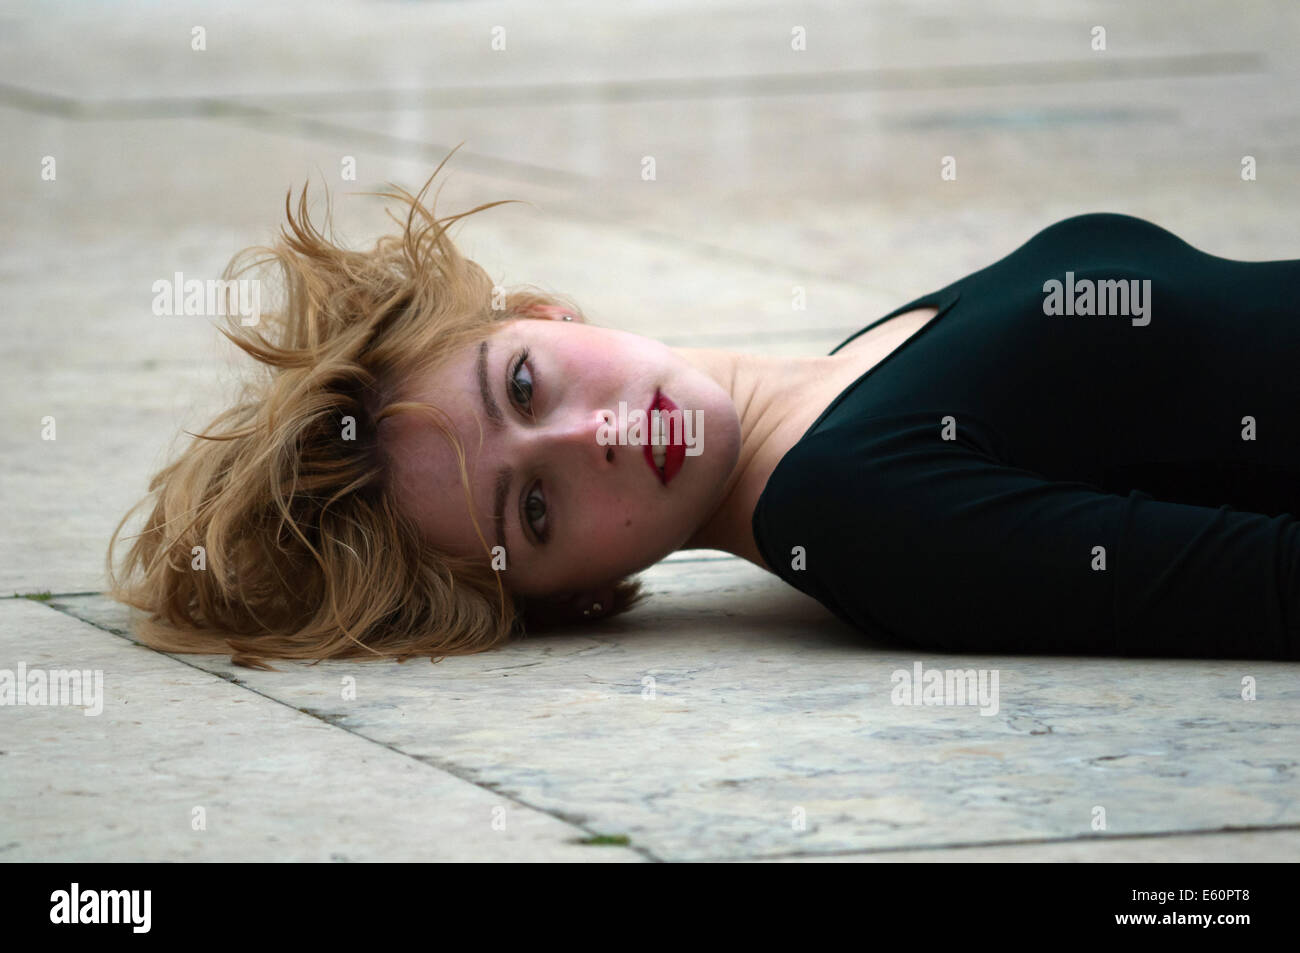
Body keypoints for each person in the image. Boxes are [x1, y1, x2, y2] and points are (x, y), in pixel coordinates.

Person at [107, 158, 1300, 668]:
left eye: (523, 385)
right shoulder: (865, 508)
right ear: (568, 593)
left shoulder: (839, 383)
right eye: (536, 505)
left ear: (541, 311)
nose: (599, 438)